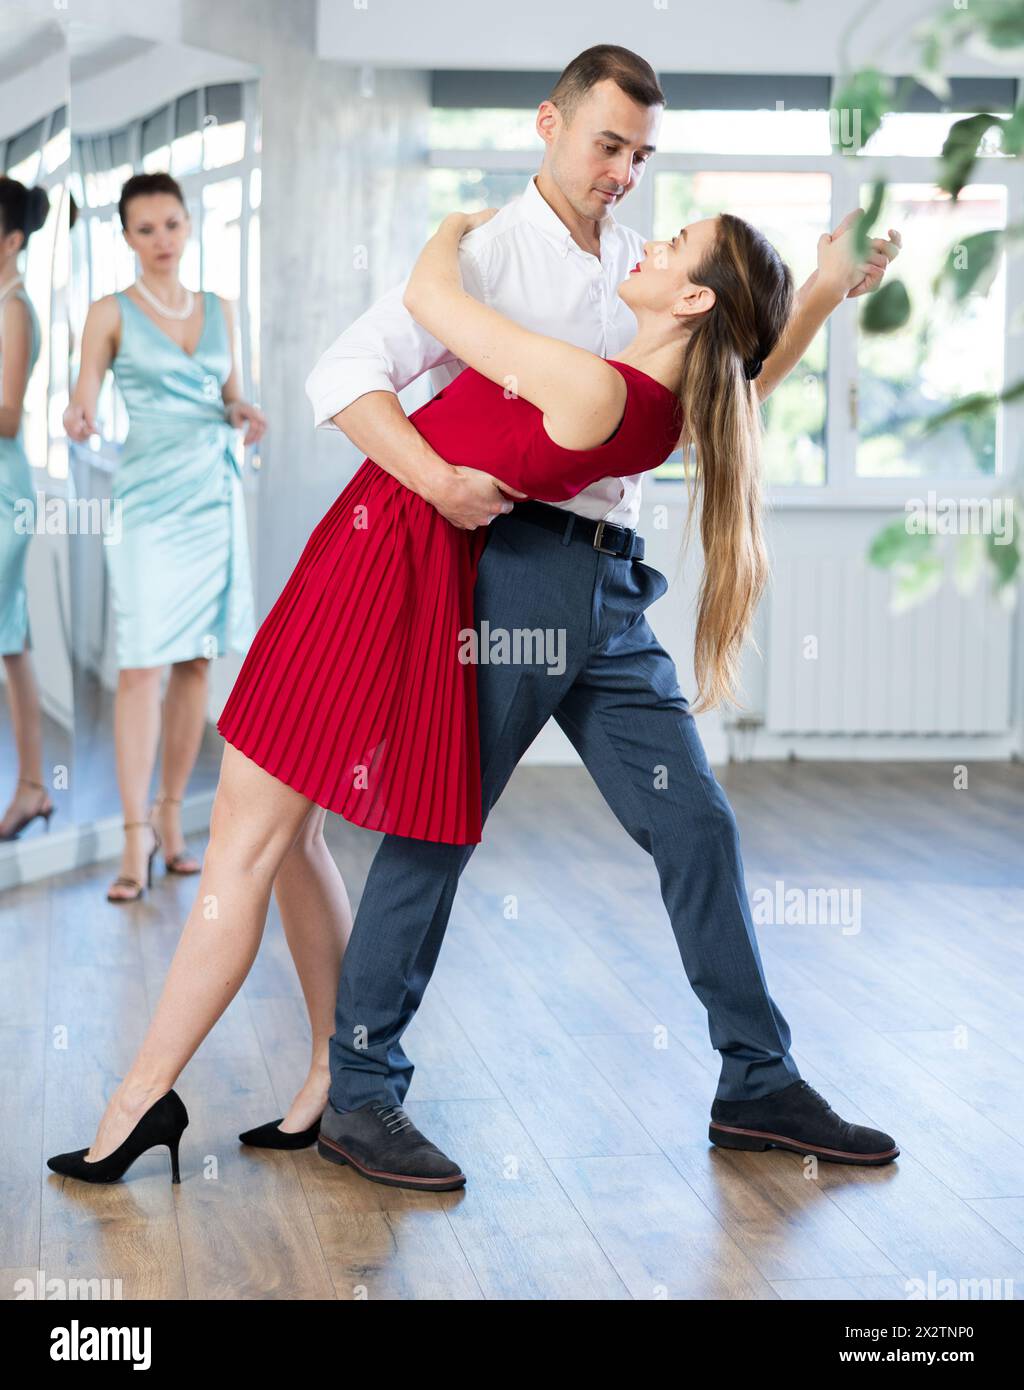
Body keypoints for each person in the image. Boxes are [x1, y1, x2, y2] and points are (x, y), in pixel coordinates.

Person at [48, 181, 805, 1186]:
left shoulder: (600, 389)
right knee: (290, 835)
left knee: (254, 835)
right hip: (396, 551)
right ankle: (333, 1078)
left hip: (389, 560)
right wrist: (823, 292)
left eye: (674, 245)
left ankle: (144, 1102)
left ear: (697, 301)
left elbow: (434, 303)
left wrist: (451, 229)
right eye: (617, 157)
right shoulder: (638, 390)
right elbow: (733, 391)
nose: (647, 234)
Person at [305, 45, 902, 1190]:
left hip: (610, 593)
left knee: (697, 827)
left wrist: (818, 292)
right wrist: (434, 479)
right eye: (609, 145)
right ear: (552, 125)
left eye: (643, 155)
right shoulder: (489, 252)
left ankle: (756, 1078)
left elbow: (718, 389)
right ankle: (362, 1091)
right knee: (438, 824)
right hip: (515, 575)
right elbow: (345, 372)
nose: (628, 174)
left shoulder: (637, 265)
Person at [64, 172, 265, 900]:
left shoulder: (221, 308)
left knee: (195, 665)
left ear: (189, 226)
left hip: (212, 493)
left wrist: (243, 409)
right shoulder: (108, 311)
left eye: (172, 225)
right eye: (145, 229)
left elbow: (229, 389)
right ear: (125, 237)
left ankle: (174, 822)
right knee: (141, 665)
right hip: (147, 502)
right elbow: (84, 389)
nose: (162, 241)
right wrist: (78, 413)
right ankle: (132, 839)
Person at [0, 176, 53, 840]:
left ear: (11, 240)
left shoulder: (14, 308)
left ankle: (35, 787)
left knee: (10, 640)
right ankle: (35, 787)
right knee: (13, 643)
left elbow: (8, 416)